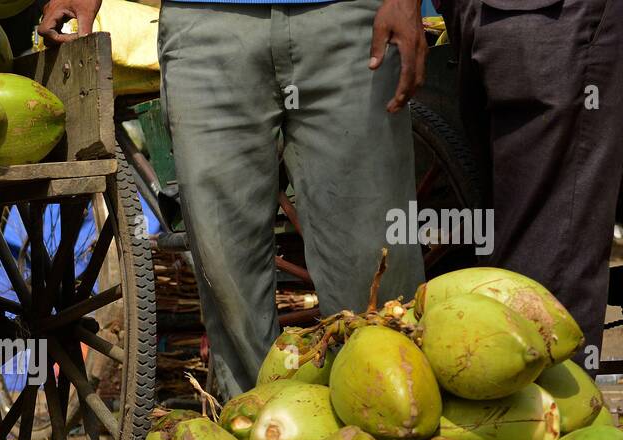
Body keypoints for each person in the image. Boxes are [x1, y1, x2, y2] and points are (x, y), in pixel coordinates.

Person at [41, 0, 428, 399]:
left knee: (378, 268)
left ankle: (388, 430)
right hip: (206, 26)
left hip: (348, 20)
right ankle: (259, 430)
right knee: (226, 273)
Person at [435, 0, 623, 368]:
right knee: (555, 234)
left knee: (511, 228)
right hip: (559, 18)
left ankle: (500, 394)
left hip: (484, 15)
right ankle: (549, 410)